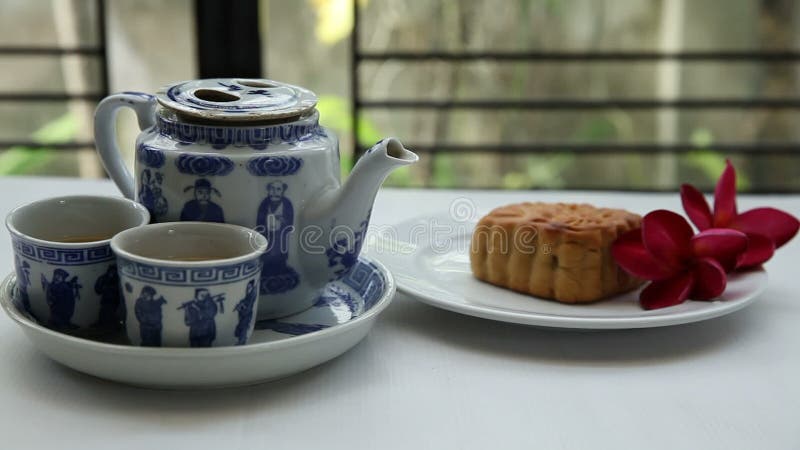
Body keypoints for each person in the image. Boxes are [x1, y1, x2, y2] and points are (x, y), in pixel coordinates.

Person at [256, 181, 298, 293]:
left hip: (281, 235)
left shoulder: (287, 203)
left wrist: (282, 221)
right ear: (269, 190)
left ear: (283, 191)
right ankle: (266, 271)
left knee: (280, 253)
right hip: (267, 234)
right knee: (267, 252)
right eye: (272, 189)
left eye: (278, 189)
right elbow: (259, 220)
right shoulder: (265, 203)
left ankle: (280, 270)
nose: (275, 192)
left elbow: (290, 221)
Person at [233, 280, 257, 345]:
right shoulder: (249, 291)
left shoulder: (253, 292)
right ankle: (241, 340)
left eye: (249, 285)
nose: (248, 286)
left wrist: (243, 305)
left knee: (244, 327)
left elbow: (250, 302)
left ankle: (242, 340)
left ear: (252, 285)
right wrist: (241, 302)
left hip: (247, 312)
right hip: (244, 311)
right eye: (248, 285)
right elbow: (246, 299)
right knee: (242, 326)